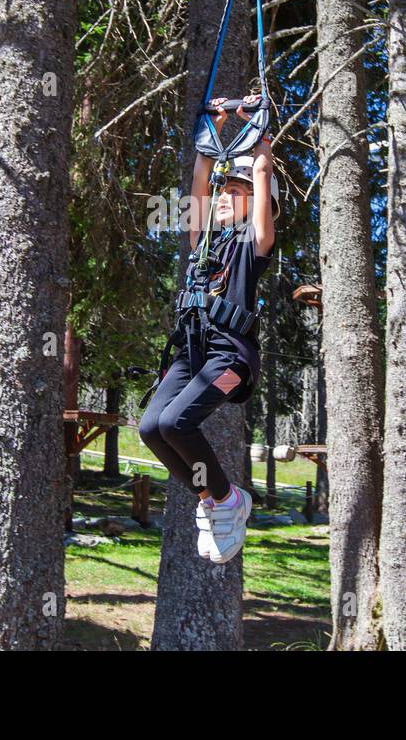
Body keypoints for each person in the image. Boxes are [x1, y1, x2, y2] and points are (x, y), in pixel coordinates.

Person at [138, 94, 279, 564]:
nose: (222, 198)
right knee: (153, 427)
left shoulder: (251, 245)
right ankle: (211, 497)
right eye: (224, 192)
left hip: (229, 357)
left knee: (179, 422)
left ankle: (226, 499)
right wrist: (211, 127)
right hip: (192, 353)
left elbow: (261, 174)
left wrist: (253, 124)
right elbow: (200, 180)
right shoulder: (202, 245)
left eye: (233, 194)